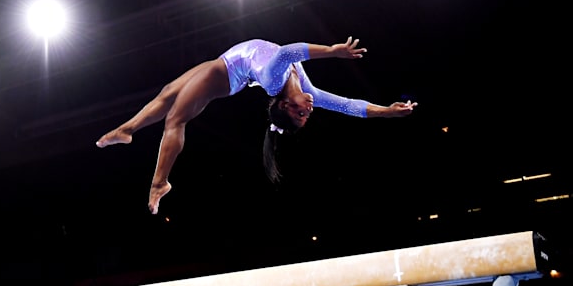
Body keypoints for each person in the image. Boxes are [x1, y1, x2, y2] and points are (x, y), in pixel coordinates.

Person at [95, 36, 417, 214]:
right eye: (306, 115)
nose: (310, 110)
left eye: (301, 115)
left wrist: (333, 53)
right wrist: (386, 111)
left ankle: (159, 183)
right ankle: (127, 129)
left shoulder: (275, 79)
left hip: (224, 76)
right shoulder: (306, 89)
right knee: (168, 93)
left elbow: (290, 50)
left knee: (175, 119)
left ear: (286, 106)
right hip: (223, 61)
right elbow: (348, 105)